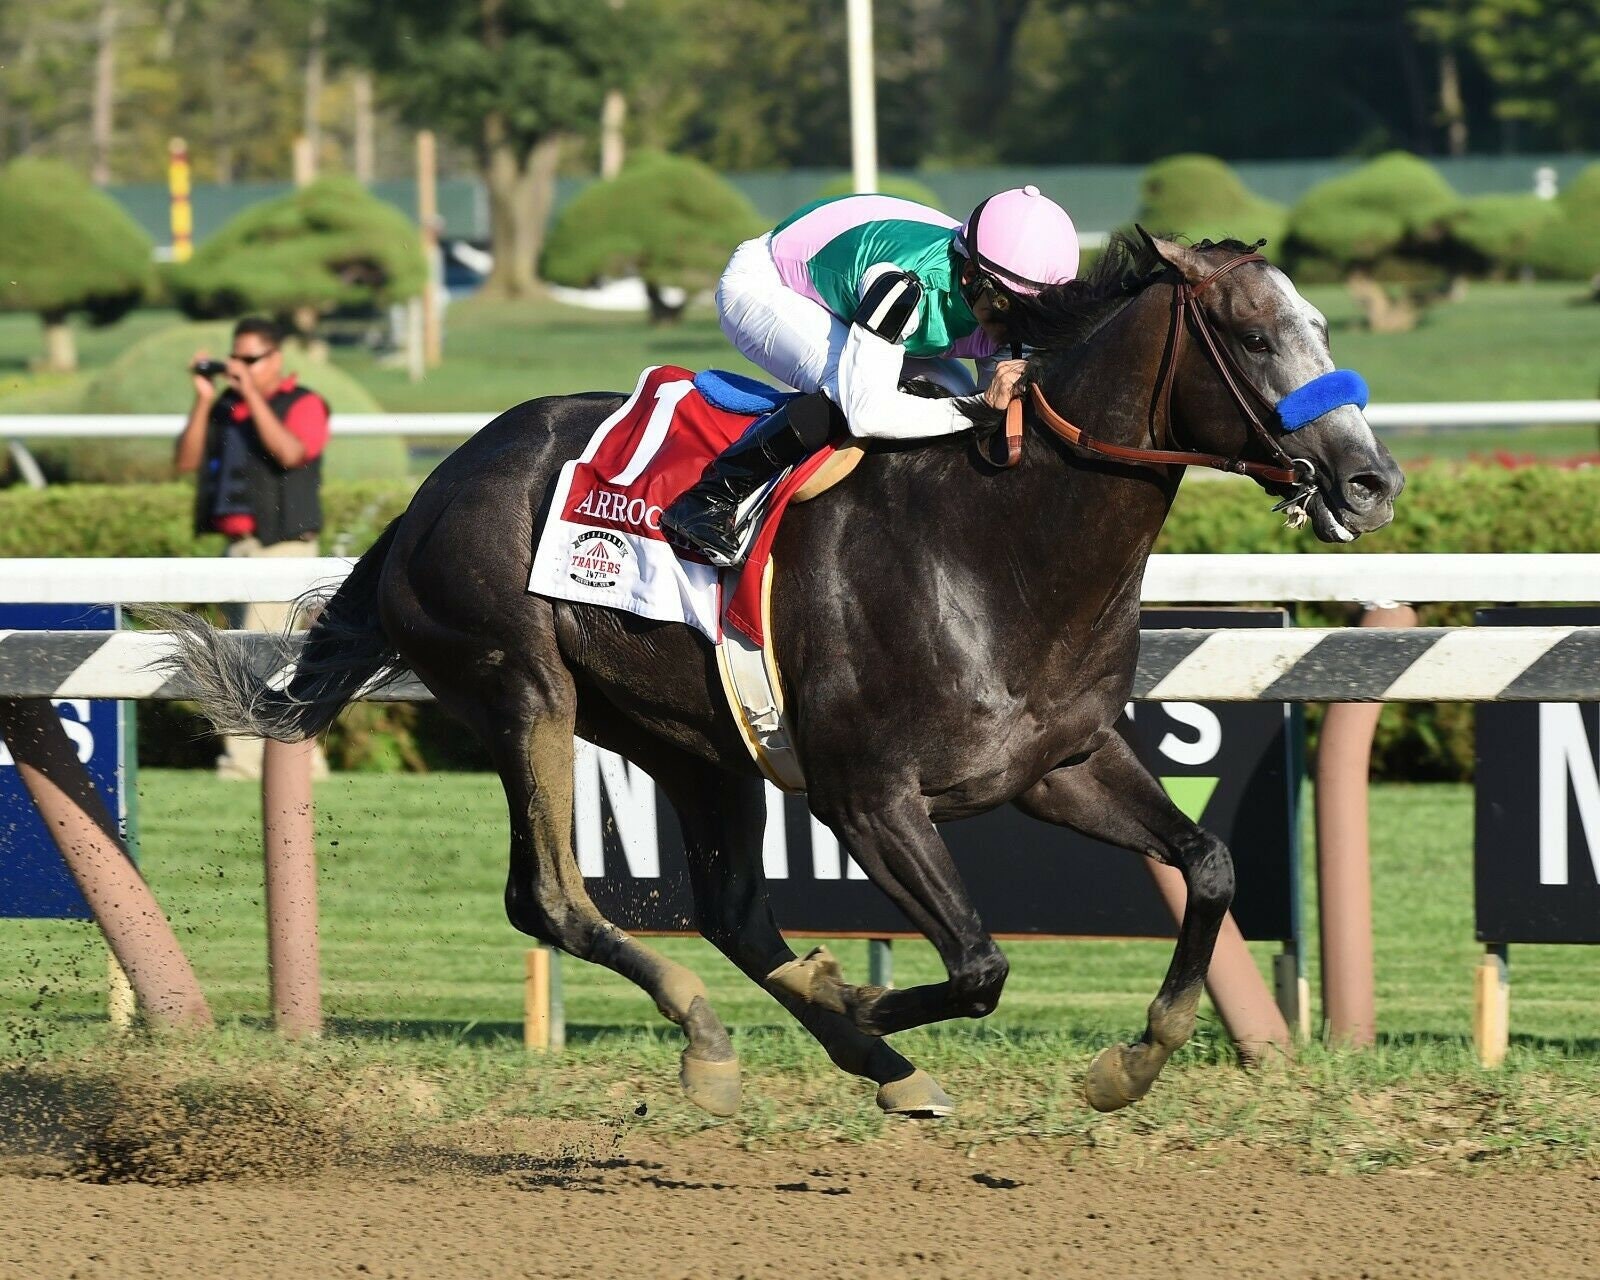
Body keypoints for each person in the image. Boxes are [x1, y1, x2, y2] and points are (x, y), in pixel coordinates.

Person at [662, 185, 1080, 565]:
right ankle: (711, 497)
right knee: (848, 394)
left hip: (863, 293)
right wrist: (976, 409)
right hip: (768, 284)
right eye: (1011, 309)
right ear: (971, 278)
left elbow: (999, 401)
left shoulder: (992, 290)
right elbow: (868, 413)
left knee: (946, 395)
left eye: (1036, 314)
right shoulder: (904, 287)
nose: (1021, 330)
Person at [175, 316, 330, 780]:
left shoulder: (305, 403)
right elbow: (185, 460)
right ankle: (304, 763)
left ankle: (245, 767)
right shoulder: (225, 406)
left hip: (282, 550)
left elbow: (290, 452)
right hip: (236, 551)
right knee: (251, 658)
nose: (238, 367)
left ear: (275, 358)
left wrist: (253, 397)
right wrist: (203, 402)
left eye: (250, 359)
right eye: (234, 357)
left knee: (260, 658)